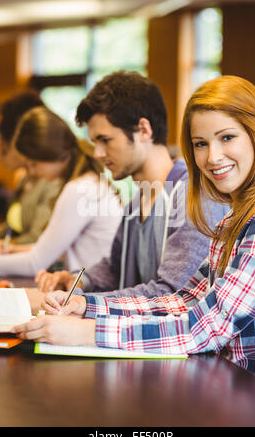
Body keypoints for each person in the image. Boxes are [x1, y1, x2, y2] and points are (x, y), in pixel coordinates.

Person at [15, 75, 255, 387]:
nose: (212, 157)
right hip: (223, 388)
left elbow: (205, 325)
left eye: (227, 138)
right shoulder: (233, 220)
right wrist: (87, 305)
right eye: (200, 144)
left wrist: (90, 331)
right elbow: (184, 301)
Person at [35, 70, 228, 296]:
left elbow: (173, 294)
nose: (97, 153)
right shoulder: (138, 201)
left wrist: (84, 303)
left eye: (105, 140)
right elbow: (115, 269)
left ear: (143, 130)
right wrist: (78, 280)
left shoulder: (193, 195)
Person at [0, 106, 122, 276]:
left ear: (54, 155)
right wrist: (18, 250)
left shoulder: (79, 190)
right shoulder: (88, 183)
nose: (32, 172)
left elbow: (35, 263)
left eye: (34, 164)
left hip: (92, 291)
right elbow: (53, 249)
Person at [0, 90, 62, 253]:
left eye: (3, 149)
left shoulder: (52, 180)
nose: (0, 156)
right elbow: (8, 230)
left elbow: (35, 240)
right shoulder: (25, 179)